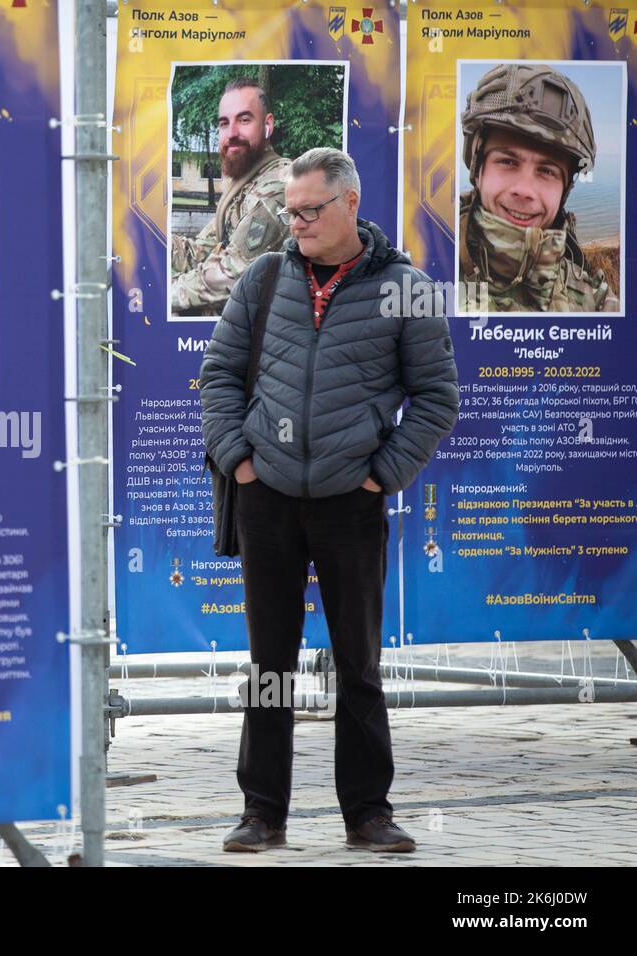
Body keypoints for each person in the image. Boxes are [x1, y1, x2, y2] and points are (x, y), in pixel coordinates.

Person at [199, 148, 459, 853]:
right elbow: (218, 374)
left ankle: (368, 814)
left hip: (352, 501)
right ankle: (262, 813)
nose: (297, 222)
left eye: (311, 210)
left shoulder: (405, 287)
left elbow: (437, 398)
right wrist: (240, 461)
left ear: (351, 204)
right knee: (268, 666)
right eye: (290, 209)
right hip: (269, 499)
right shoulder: (263, 277)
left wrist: (383, 474)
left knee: (359, 663)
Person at [459, 63, 618, 313]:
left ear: (565, 189)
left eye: (547, 171)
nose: (525, 190)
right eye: (508, 162)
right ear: (478, 169)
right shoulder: (428, 276)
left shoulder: (596, 303)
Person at [170, 77, 292, 316]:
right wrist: (150, 245)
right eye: (224, 123)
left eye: (244, 120)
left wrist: (165, 294)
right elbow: (200, 252)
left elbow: (233, 272)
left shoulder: (277, 187)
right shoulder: (244, 185)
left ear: (268, 125)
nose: (232, 132)